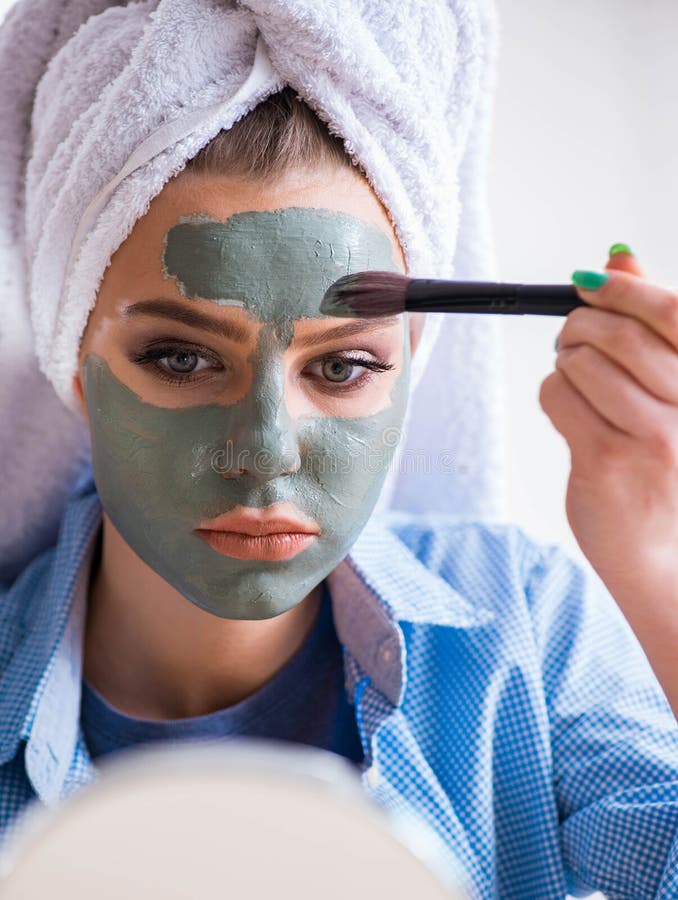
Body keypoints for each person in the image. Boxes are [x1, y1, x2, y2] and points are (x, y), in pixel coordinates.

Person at [0, 2, 676, 898]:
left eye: (345, 365)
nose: (269, 452)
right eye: (181, 357)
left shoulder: (532, 633)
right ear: (70, 364)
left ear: (410, 369)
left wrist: (654, 559)